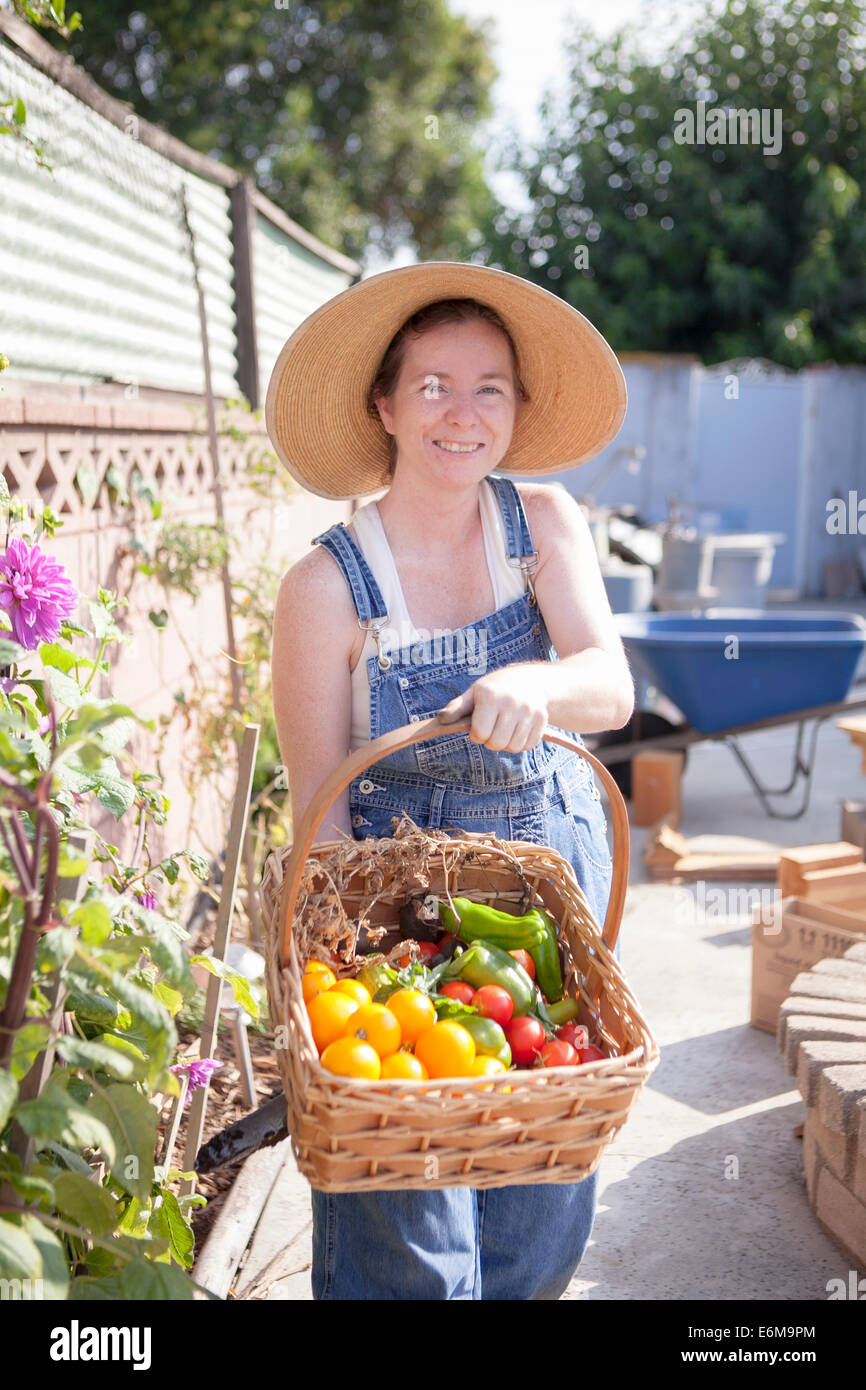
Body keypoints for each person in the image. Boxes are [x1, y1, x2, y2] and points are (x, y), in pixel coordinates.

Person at [268, 261, 634, 1300]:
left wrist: (535, 684)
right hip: (399, 922)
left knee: (535, 1219)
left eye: (489, 388)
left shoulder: (544, 528)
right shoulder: (326, 586)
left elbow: (609, 688)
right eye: (431, 384)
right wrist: (328, 977)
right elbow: (321, 812)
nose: (460, 414)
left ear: (516, 410)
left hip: (547, 909)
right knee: (410, 1239)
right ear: (382, 404)